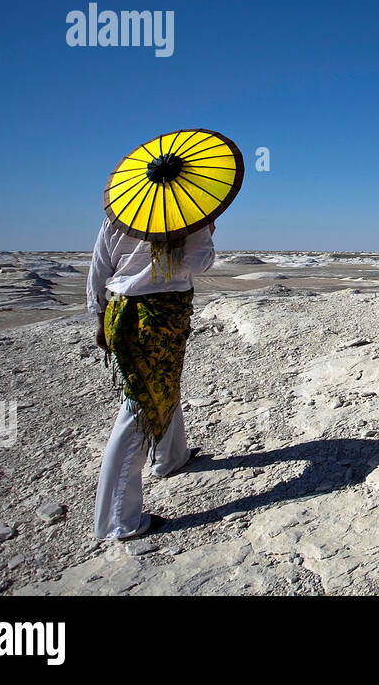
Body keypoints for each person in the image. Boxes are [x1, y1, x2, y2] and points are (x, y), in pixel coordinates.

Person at [86, 217, 216, 540]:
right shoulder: (187, 214)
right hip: (160, 317)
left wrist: (99, 314)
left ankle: (171, 457)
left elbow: (100, 265)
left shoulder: (123, 213)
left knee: (164, 385)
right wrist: (207, 230)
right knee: (138, 405)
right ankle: (118, 520)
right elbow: (200, 261)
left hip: (122, 310)